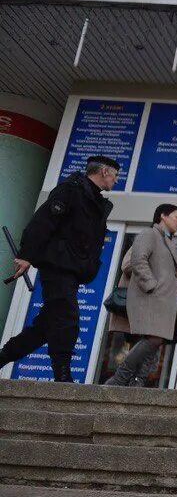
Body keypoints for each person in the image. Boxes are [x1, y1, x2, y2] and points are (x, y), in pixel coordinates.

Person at [0, 155, 118, 382]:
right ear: (104, 172)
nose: (115, 181)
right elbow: (43, 222)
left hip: (72, 271)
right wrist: (26, 256)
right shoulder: (70, 191)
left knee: (45, 327)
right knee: (68, 317)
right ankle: (63, 378)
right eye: (115, 175)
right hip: (57, 266)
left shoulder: (95, 201)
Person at [106, 204, 177, 387]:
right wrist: (151, 285)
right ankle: (119, 378)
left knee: (156, 341)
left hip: (162, 302)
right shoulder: (149, 234)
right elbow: (134, 262)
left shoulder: (167, 241)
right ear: (163, 216)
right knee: (154, 339)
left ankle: (138, 381)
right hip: (149, 298)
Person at [103, 248, 160, 386]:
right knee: (146, 342)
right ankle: (125, 381)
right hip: (137, 305)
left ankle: (134, 383)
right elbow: (127, 265)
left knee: (151, 344)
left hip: (151, 306)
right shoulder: (144, 241)